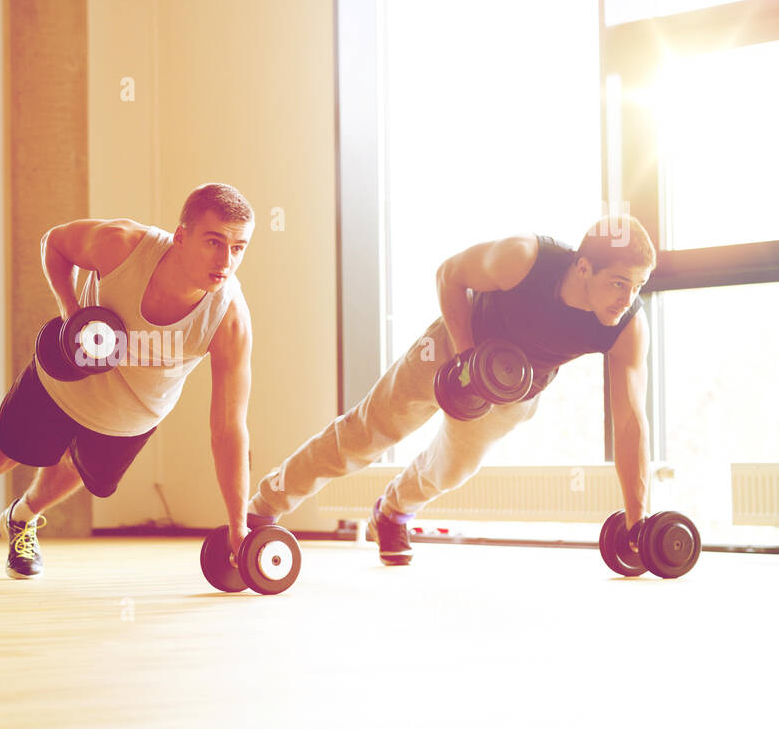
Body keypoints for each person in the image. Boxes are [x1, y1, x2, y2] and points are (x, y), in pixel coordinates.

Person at [247, 216, 656, 564]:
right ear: (584, 268)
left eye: (638, 286)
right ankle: (263, 509)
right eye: (619, 283)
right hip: (454, 347)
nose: (628, 298)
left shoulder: (628, 328)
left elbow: (630, 422)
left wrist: (638, 522)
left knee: (453, 468)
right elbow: (449, 275)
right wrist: (467, 357)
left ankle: (392, 513)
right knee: (365, 433)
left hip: (516, 389)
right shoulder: (524, 258)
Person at [0, 183, 256, 579]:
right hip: (64, 383)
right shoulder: (122, 246)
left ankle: (23, 517)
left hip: (132, 416)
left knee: (75, 468)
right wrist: (70, 311)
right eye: (214, 242)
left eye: (239, 248)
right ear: (181, 236)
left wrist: (238, 524)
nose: (226, 260)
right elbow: (54, 244)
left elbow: (228, 428)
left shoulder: (229, 320)